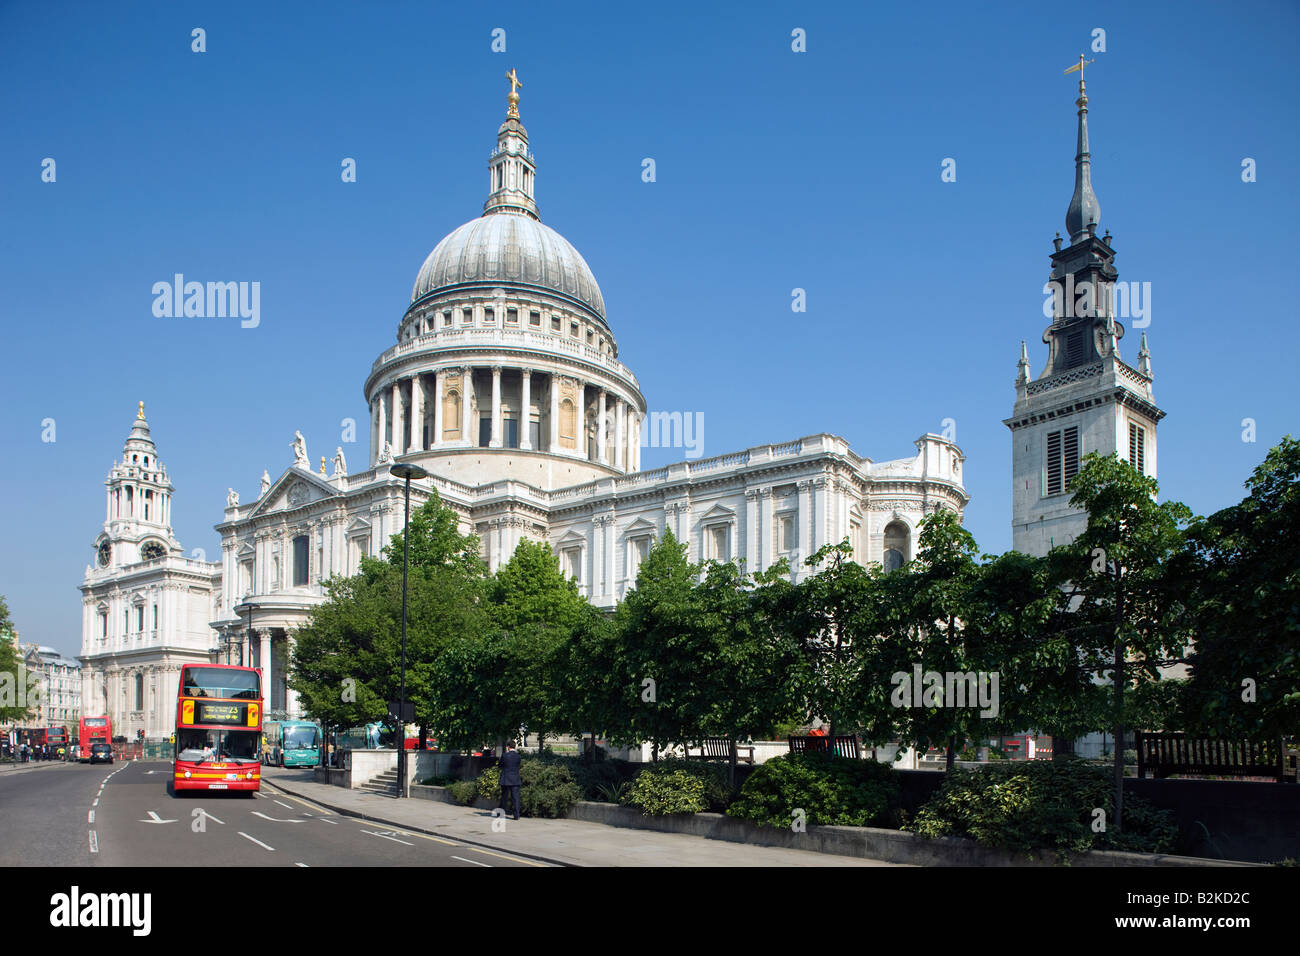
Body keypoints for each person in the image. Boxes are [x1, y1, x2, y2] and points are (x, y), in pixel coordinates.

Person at [498, 741, 522, 821]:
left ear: (508, 747)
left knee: (504, 797)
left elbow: (500, 765)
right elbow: (518, 766)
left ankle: (501, 814)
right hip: (515, 779)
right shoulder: (518, 756)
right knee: (515, 798)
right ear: (514, 747)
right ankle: (516, 815)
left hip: (505, 779)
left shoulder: (504, 756)